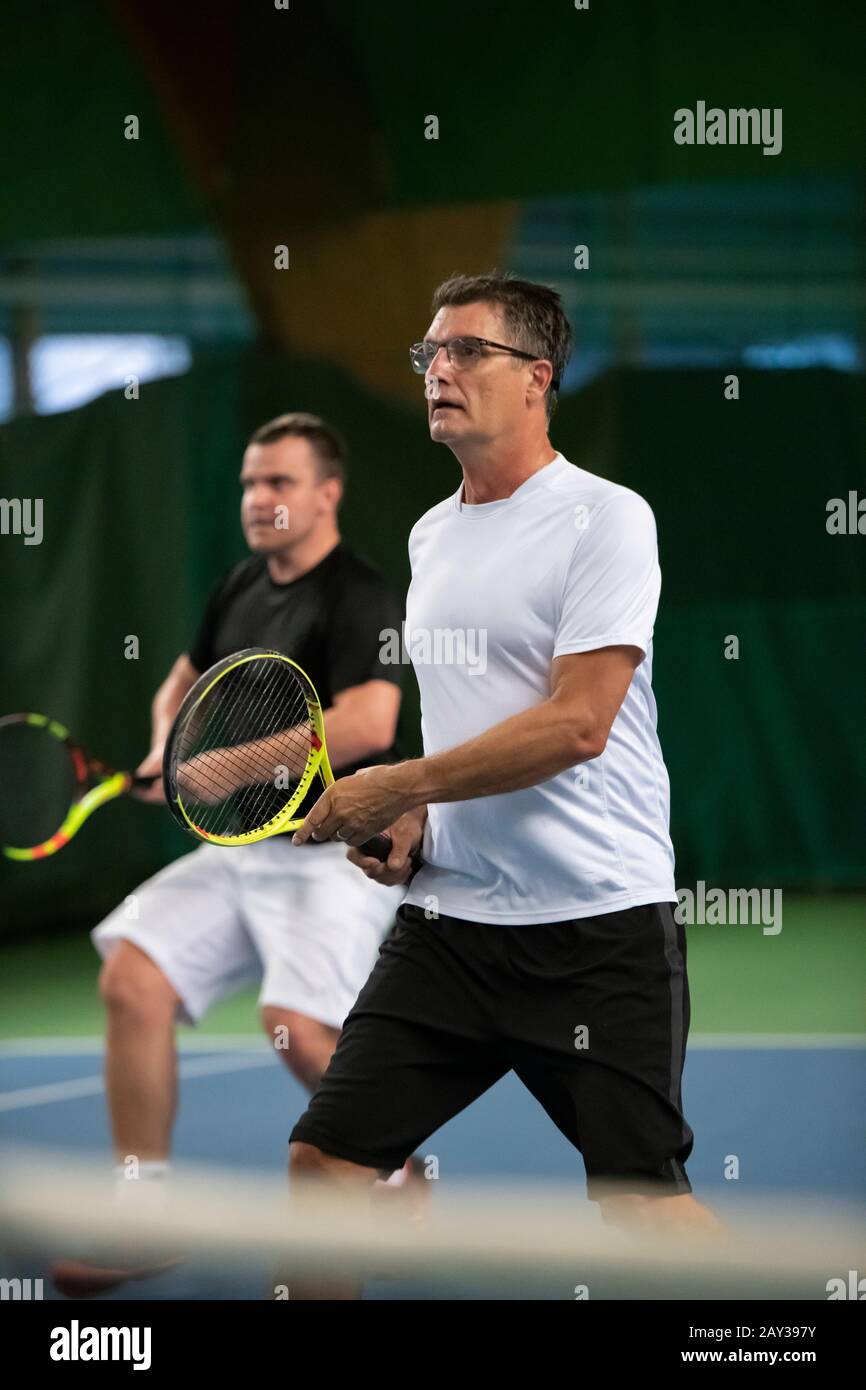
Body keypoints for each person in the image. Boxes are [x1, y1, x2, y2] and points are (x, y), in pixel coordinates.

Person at [288, 274, 721, 1294]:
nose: (437, 369)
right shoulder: (431, 535)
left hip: (596, 928)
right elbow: (466, 724)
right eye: (427, 353)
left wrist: (393, 782)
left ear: (537, 378)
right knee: (322, 1170)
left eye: (465, 350)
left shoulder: (605, 520)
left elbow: (577, 724)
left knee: (640, 1208)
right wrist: (418, 819)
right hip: (449, 932)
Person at [53, 412, 408, 1296]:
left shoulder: (359, 592)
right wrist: (164, 749)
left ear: (327, 493)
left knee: (298, 1026)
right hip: (239, 850)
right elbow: (184, 679)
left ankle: (399, 1177)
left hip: (333, 850)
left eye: (279, 482)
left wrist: (219, 767)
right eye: (251, 483)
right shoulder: (239, 587)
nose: (259, 499)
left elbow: (372, 720)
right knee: (131, 977)